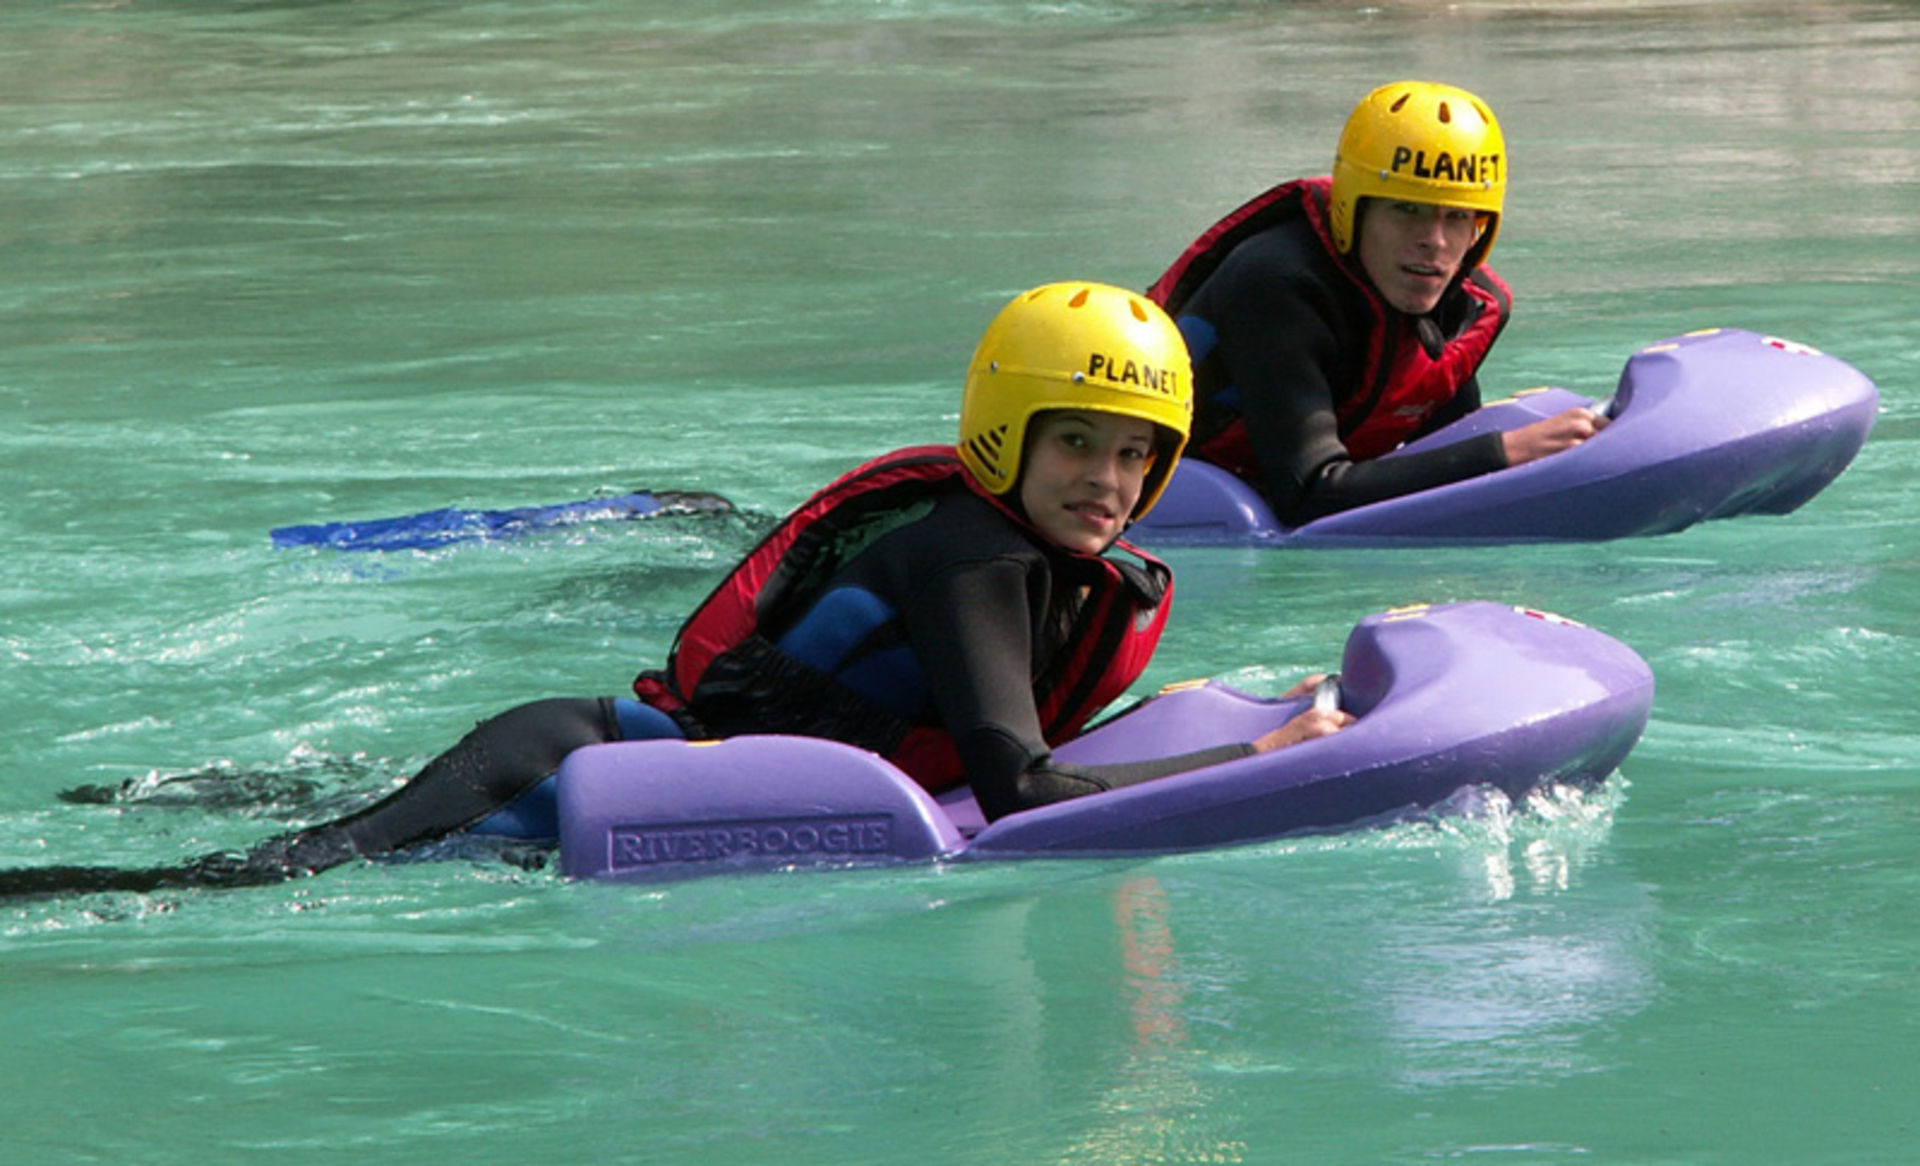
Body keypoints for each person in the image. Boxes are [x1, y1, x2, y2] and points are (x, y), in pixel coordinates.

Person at [2, 281, 1352, 900]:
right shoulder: (972, 550)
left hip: (590, 750)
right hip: (561, 763)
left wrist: (1202, 704)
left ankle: (197, 779)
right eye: (1077, 443)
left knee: (299, 816)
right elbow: (1015, 790)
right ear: (1009, 432)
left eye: (1136, 453)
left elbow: (1009, 742)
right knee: (251, 877)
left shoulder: (1055, 569)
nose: (1108, 481)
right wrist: (1257, 748)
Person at [1147, 80, 1607, 526]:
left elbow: (1442, 447)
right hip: (1190, 491)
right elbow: (1309, 492)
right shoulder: (1277, 285)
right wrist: (1508, 451)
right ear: (1353, 208)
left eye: (1457, 216)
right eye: (1406, 209)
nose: (1433, 241)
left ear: (1480, 229)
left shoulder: (1469, 307)